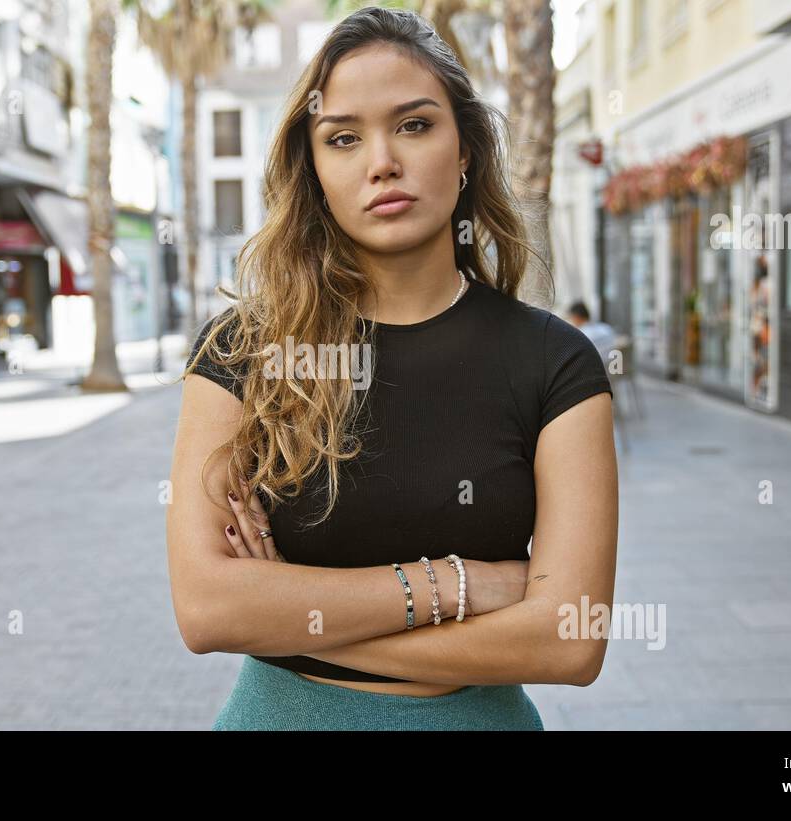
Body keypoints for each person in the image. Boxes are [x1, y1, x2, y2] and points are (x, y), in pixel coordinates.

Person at [168, 7, 618, 730]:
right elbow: (206, 609)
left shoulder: (554, 362)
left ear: (466, 147)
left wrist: (299, 618)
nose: (382, 161)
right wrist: (454, 585)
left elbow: (570, 642)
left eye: (414, 124)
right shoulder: (241, 353)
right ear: (313, 168)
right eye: (342, 138)